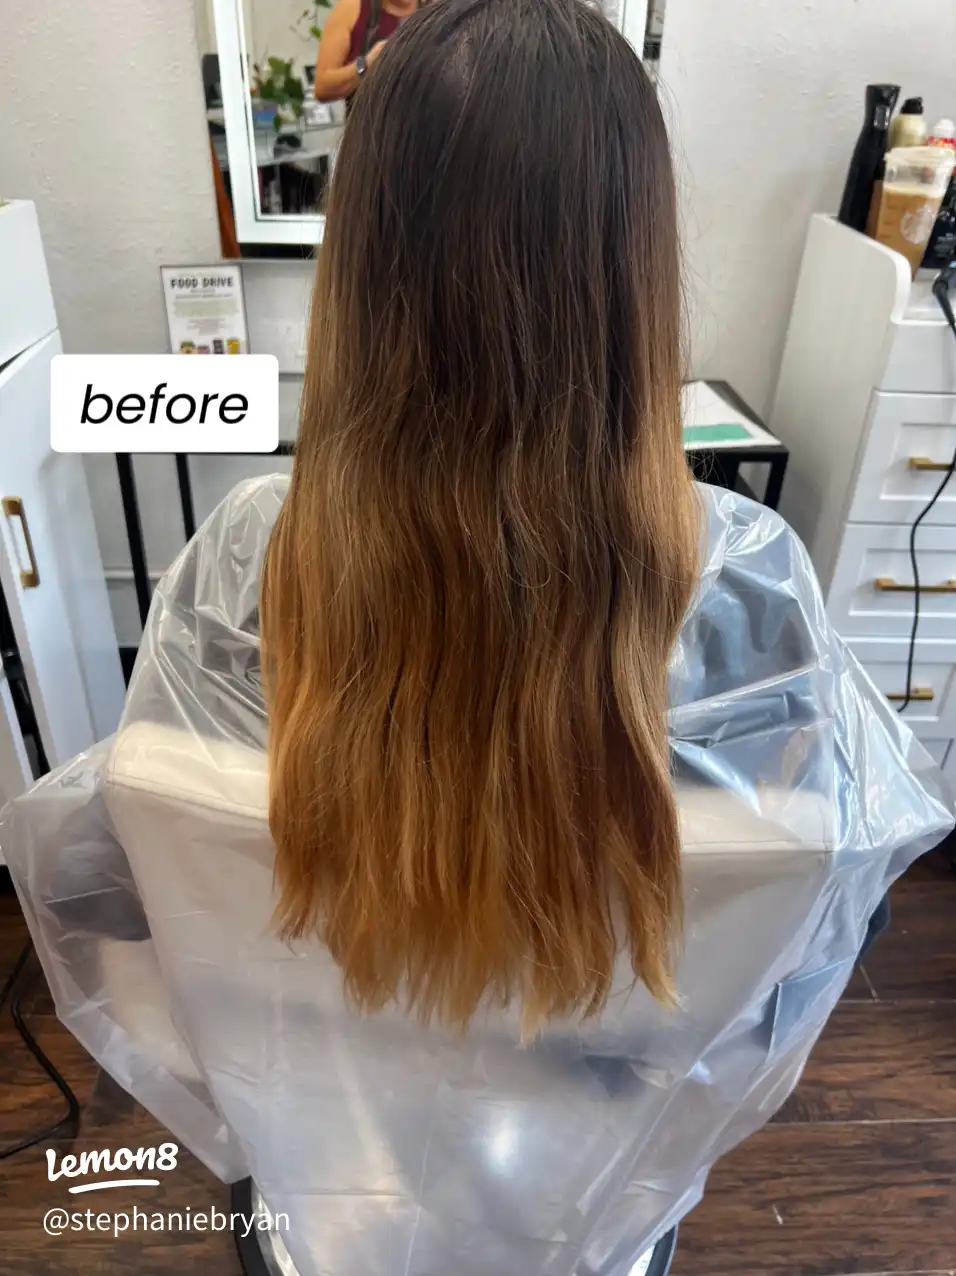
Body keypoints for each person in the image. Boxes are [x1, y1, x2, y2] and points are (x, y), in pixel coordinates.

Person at [2, 2, 951, 1275]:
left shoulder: (241, 564)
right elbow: (817, 924)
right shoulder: (752, 594)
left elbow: (145, 893)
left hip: (322, 1203)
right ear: (627, 264)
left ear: (363, 265)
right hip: (590, 1215)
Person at [313, 0, 419, 102]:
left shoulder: (433, 10)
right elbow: (322, 87)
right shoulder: (353, 7)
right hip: (371, 116)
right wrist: (366, 65)